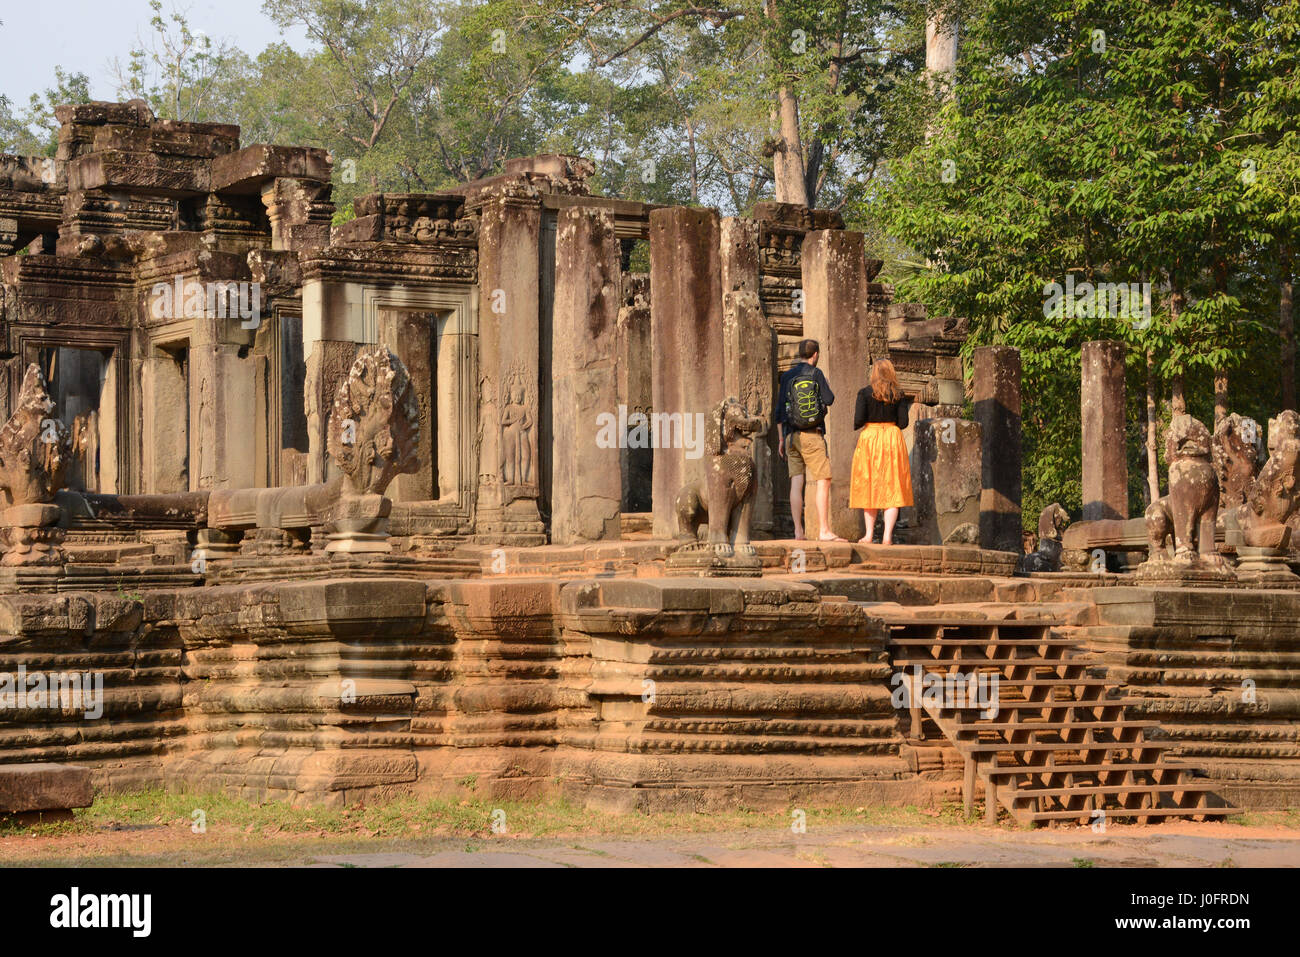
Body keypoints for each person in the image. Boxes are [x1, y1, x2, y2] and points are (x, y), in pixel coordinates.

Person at [776, 339, 843, 541]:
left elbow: (779, 411)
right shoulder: (816, 373)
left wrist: (781, 439)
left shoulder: (787, 376)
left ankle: (798, 531)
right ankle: (823, 530)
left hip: (790, 436)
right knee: (823, 479)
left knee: (796, 482)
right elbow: (829, 399)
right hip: (812, 435)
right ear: (815, 355)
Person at [850, 358, 914, 544]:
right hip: (893, 438)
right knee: (893, 486)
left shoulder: (864, 393)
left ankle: (869, 535)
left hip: (870, 438)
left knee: (869, 484)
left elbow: (857, 420)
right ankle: (887, 536)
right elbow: (903, 423)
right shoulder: (898, 394)